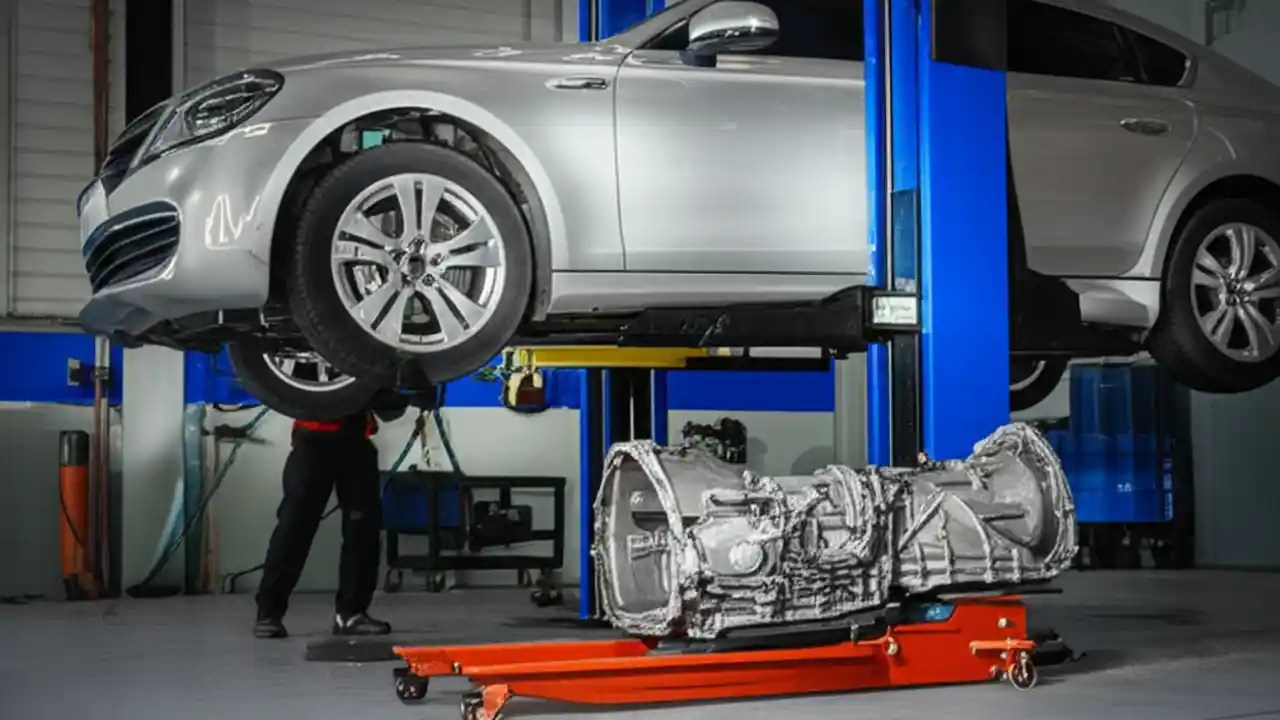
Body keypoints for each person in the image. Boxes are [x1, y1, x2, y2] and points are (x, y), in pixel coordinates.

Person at [253, 390, 410, 639]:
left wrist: (401, 392)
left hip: (356, 445)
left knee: (363, 530)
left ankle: (351, 614)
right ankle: (268, 614)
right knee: (294, 527)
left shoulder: (370, 368)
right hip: (312, 444)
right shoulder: (309, 364)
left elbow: (390, 410)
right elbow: (288, 391)